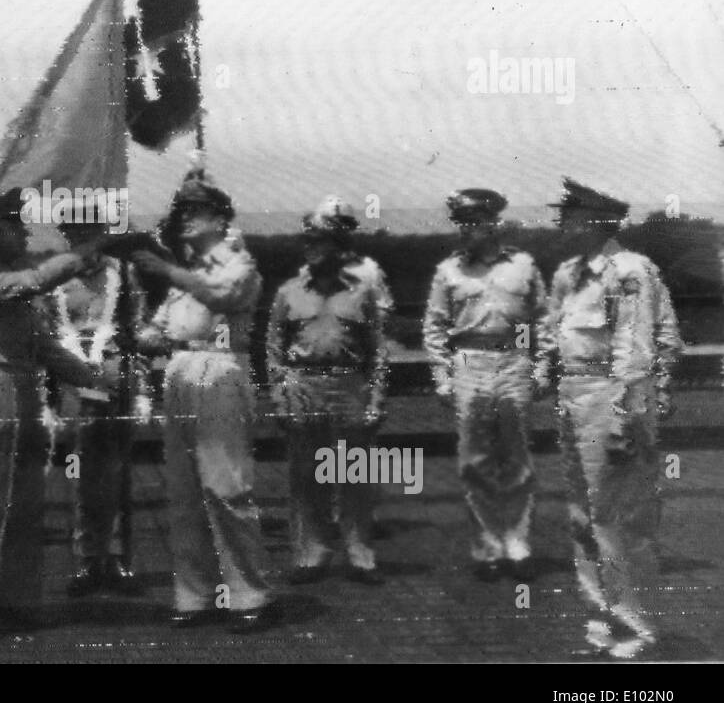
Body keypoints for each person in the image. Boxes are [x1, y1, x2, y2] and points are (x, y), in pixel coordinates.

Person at [0, 187, 111, 639]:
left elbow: (41, 345)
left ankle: (18, 598)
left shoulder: (7, 277)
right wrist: (89, 249)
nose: (24, 231)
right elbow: (35, 282)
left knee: (25, 500)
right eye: (15, 224)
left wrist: (90, 377)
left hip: (21, 387)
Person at [540, 179, 682, 659]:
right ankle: (601, 613)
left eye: (571, 214)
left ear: (597, 221)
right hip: (574, 395)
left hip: (614, 397)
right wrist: (542, 372)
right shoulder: (568, 273)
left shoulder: (629, 271)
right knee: (582, 515)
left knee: (615, 515)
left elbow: (636, 345)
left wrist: (626, 412)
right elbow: (551, 329)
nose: (562, 221)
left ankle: (637, 624)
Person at [131, 170, 275, 633]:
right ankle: (194, 594)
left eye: (195, 211)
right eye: (182, 212)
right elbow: (163, 325)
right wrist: (142, 336)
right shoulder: (185, 273)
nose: (186, 220)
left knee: (226, 486)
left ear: (219, 217)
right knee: (184, 491)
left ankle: (248, 593)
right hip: (181, 369)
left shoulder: (239, 264)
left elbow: (225, 296)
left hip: (220, 370)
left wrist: (170, 271)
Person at [422, 189, 548, 581]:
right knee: (475, 463)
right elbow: (435, 326)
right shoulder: (449, 271)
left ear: (494, 223)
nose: (469, 229)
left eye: (477, 221)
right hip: (469, 362)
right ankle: (487, 547)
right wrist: (442, 376)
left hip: (513, 361)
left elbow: (538, 320)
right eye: (462, 222)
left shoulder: (523, 266)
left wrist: (538, 365)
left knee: (516, 459)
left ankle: (517, 542)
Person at [266, 197, 392, 585]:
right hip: (303, 384)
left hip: (349, 383)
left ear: (340, 250)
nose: (312, 250)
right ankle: (311, 554)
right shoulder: (288, 292)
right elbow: (273, 348)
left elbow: (377, 350)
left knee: (355, 474)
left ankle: (360, 555)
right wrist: (280, 393)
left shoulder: (361, 292)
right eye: (309, 243)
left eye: (321, 243)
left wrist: (376, 397)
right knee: (307, 474)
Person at [48, 196, 147, 598]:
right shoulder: (55, 280)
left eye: (90, 231)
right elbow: (49, 338)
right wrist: (49, 401)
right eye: (75, 233)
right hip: (75, 385)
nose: (83, 239)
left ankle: (120, 559)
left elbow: (137, 332)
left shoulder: (124, 275)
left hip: (115, 380)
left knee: (119, 472)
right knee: (84, 476)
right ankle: (89, 558)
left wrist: (142, 391)